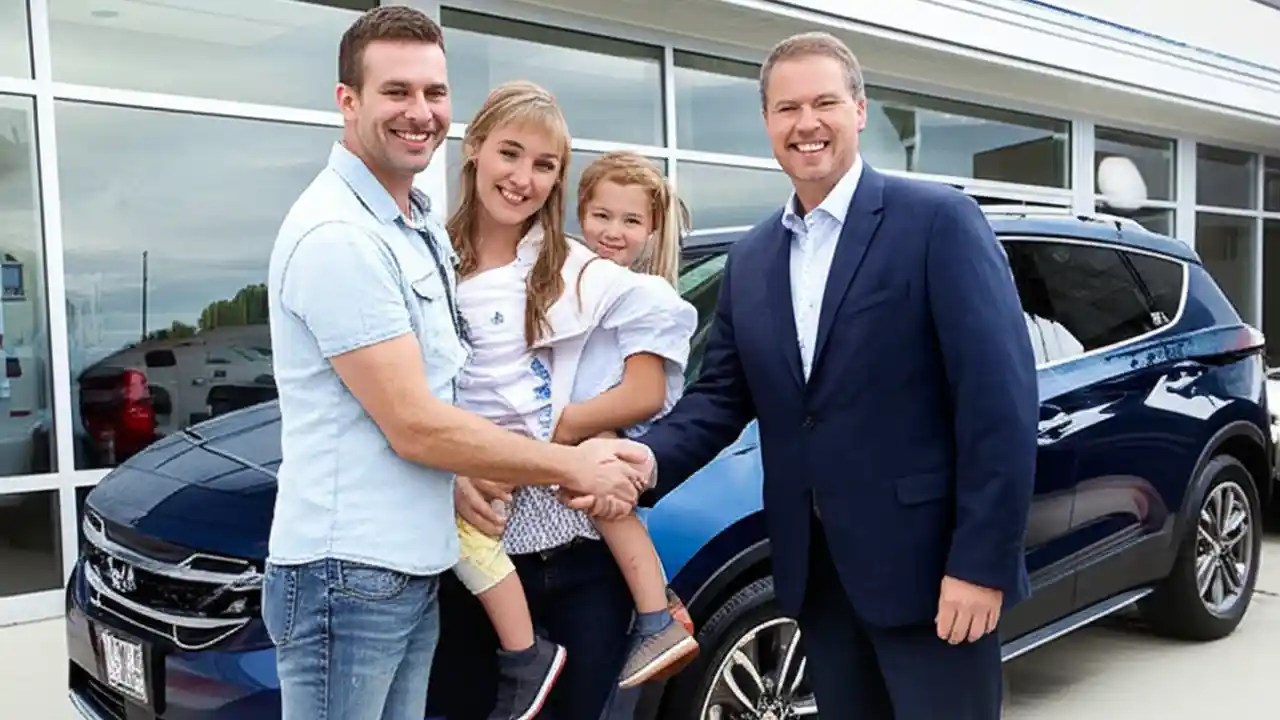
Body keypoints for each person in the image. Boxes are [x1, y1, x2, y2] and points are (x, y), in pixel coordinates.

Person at [627, 31, 1040, 719]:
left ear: (859, 110)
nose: (806, 123)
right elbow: (722, 395)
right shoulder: (754, 257)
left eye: (824, 103)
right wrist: (644, 460)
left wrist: (980, 563)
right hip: (816, 578)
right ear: (767, 122)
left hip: (932, 577)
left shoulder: (938, 223)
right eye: (787, 108)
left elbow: (998, 405)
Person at [261, 8, 651, 720]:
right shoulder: (339, 237)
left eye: (434, 92)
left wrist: (464, 469)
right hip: (349, 576)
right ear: (347, 100)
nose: (419, 112)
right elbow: (414, 424)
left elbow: (437, 395)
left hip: (414, 568)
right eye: (396, 91)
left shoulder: (410, 228)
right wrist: (572, 465)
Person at [427, 83, 698, 720]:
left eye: (544, 165)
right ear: (475, 149)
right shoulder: (431, 259)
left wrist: (554, 438)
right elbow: (404, 399)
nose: (523, 179)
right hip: (479, 559)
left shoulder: (574, 268)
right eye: (509, 154)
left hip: (580, 557)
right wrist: (457, 466)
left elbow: (654, 347)